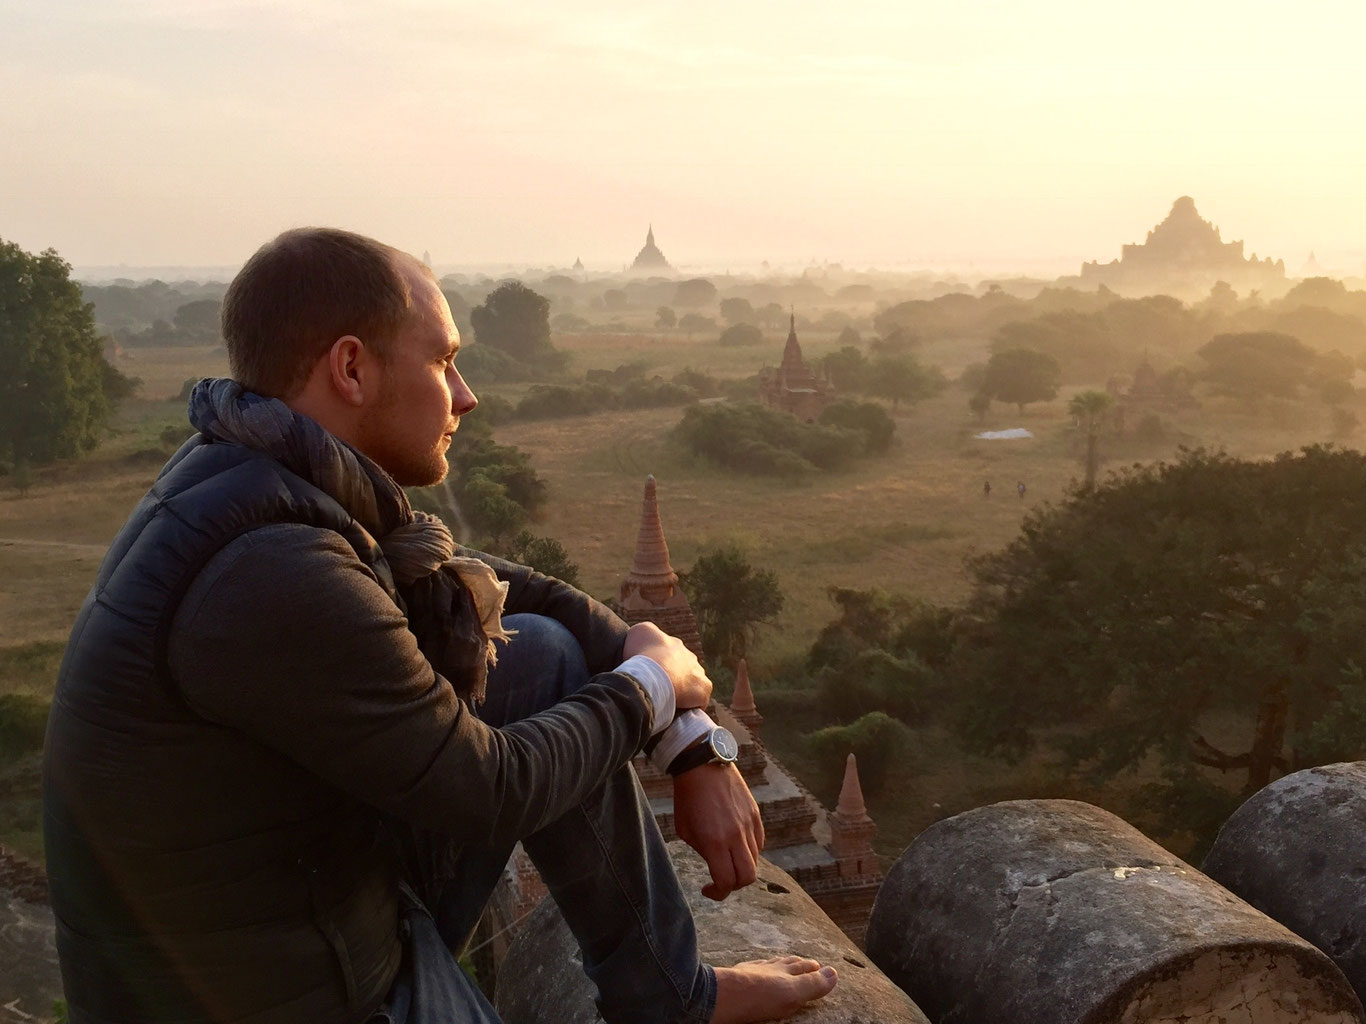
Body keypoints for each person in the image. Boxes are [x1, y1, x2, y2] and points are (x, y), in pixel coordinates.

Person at [42, 228, 837, 1024]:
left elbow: (512, 588)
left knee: (544, 652)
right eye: (443, 360)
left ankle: (668, 998)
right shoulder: (270, 569)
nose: (465, 395)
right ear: (351, 369)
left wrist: (689, 739)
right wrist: (650, 689)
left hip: (316, 911)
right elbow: (491, 792)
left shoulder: (266, 472)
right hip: (277, 996)